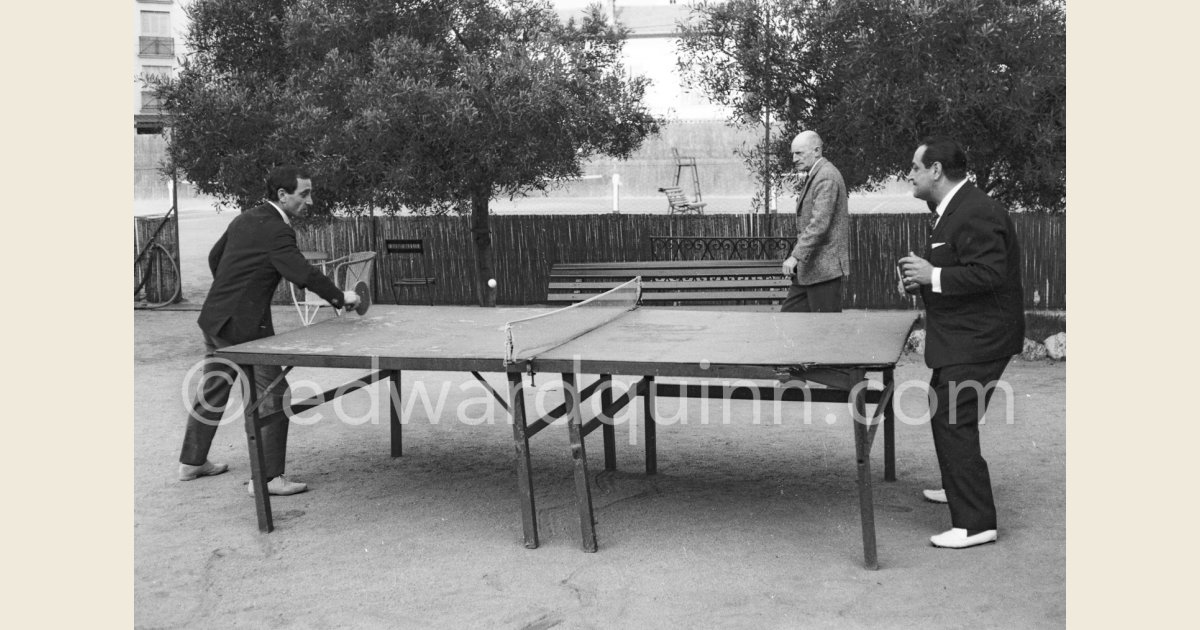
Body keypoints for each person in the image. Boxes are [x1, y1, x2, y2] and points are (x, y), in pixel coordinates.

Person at [177, 165, 359, 496]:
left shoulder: (245, 218)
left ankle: (191, 462)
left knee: (215, 388)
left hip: (215, 317)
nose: (310, 200)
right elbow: (301, 272)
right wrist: (339, 297)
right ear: (282, 195)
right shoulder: (277, 230)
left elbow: (215, 258)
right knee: (275, 395)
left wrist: (234, 289)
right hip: (244, 328)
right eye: (304, 194)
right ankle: (269, 478)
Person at [899, 137, 1025, 549]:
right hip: (966, 336)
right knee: (946, 411)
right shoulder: (956, 208)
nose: (910, 175)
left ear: (936, 170)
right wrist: (924, 281)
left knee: (953, 418)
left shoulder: (975, 210)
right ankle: (959, 489)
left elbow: (989, 274)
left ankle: (974, 524)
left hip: (982, 338)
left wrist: (931, 275)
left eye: (915, 168)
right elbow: (959, 270)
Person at [780, 130, 850, 313]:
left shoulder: (826, 176)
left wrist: (795, 257)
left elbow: (819, 224)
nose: (794, 158)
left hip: (824, 272)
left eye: (799, 153)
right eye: (793, 154)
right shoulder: (817, 174)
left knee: (825, 334)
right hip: (809, 271)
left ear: (817, 150)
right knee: (788, 321)